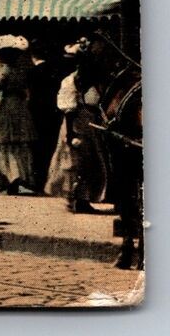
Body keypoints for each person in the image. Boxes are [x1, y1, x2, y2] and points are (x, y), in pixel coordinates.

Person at [43, 42, 106, 212]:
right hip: (76, 125)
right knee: (74, 163)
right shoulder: (70, 82)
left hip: (90, 125)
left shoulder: (92, 82)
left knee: (90, 162)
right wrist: (70, 134)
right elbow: (69, 111)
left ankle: (84, 199)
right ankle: (77, 199)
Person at [0, 41, 39, 194]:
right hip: (19, 107)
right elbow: (25, 91)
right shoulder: (20, 71)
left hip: (5, 106)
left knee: (2, 142)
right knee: (18, 144)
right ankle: (18, 177)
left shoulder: (0, 72)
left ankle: (9, 179)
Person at [26, 42, 64, 191]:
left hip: (35, 113)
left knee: (37, 147)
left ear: (32, 56)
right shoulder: (55, 71)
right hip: (52, 112)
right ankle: (49, 178)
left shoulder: (31, 73)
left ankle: (37, 180)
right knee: (50, 146)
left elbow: (29, 95)